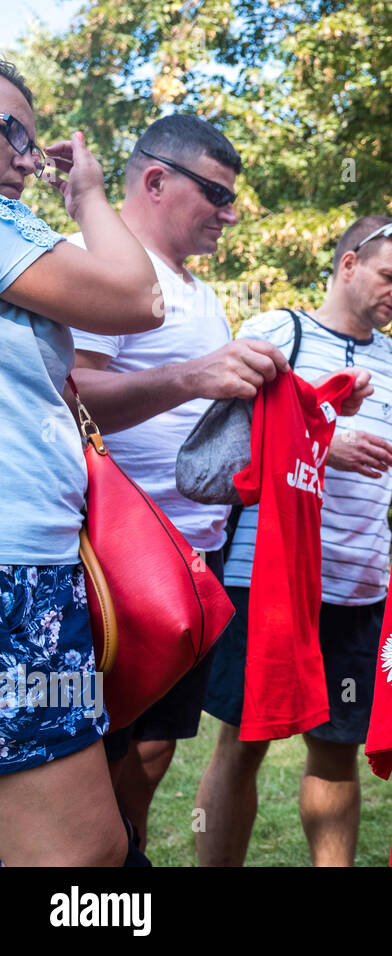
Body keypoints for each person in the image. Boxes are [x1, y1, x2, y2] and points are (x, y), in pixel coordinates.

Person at [195, 215, 392, 866]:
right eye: (388, 275)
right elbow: (225, 446)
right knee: (243, 739)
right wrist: (321, 440)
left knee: (338, 744)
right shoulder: (274, 333)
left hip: (357, 582)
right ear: (347, 265)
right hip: (267, 575)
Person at [68, 115, 290, 852]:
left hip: (195, 562)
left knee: (154, 747)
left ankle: (122, 854)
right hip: (108, 565)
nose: (229, 214)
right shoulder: (96, 264)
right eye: (216, 195)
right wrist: (195, 375)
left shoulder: (200, 293)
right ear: (155, 181)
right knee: (90, 754)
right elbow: (67, 395)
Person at [0, 58, 161, 865]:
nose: (29, 157)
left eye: (30, 138)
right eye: (13, 133)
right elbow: (139, 296)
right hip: (15, 567)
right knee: (85, 854)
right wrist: (90, 194)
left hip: (27, 560)